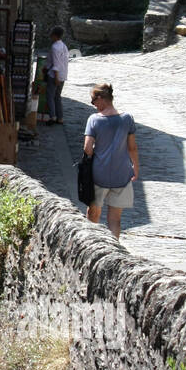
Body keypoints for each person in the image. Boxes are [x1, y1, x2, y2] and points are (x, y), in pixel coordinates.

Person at [83, 83, 140, 241]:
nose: (94, 106)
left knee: (93, 214)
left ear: (100, 98)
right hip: (121, 175)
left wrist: (98, 154)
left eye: (93, 102)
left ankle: (91, 244)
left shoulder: (94, 120)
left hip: (99, 174)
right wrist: (135, 167)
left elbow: (87, 148)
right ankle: (114, 246)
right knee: (115, 219)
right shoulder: (127, 119)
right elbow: (132, 148)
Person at [45, 26, 69, 125]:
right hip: (63, 74)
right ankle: (60, 118)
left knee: (50, 96)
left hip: (55, 75)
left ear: (55, 35)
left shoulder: (55, 47)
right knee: (57, 96)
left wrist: (56, 77)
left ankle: (52, 117)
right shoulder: (64, 46)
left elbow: (56, 64)